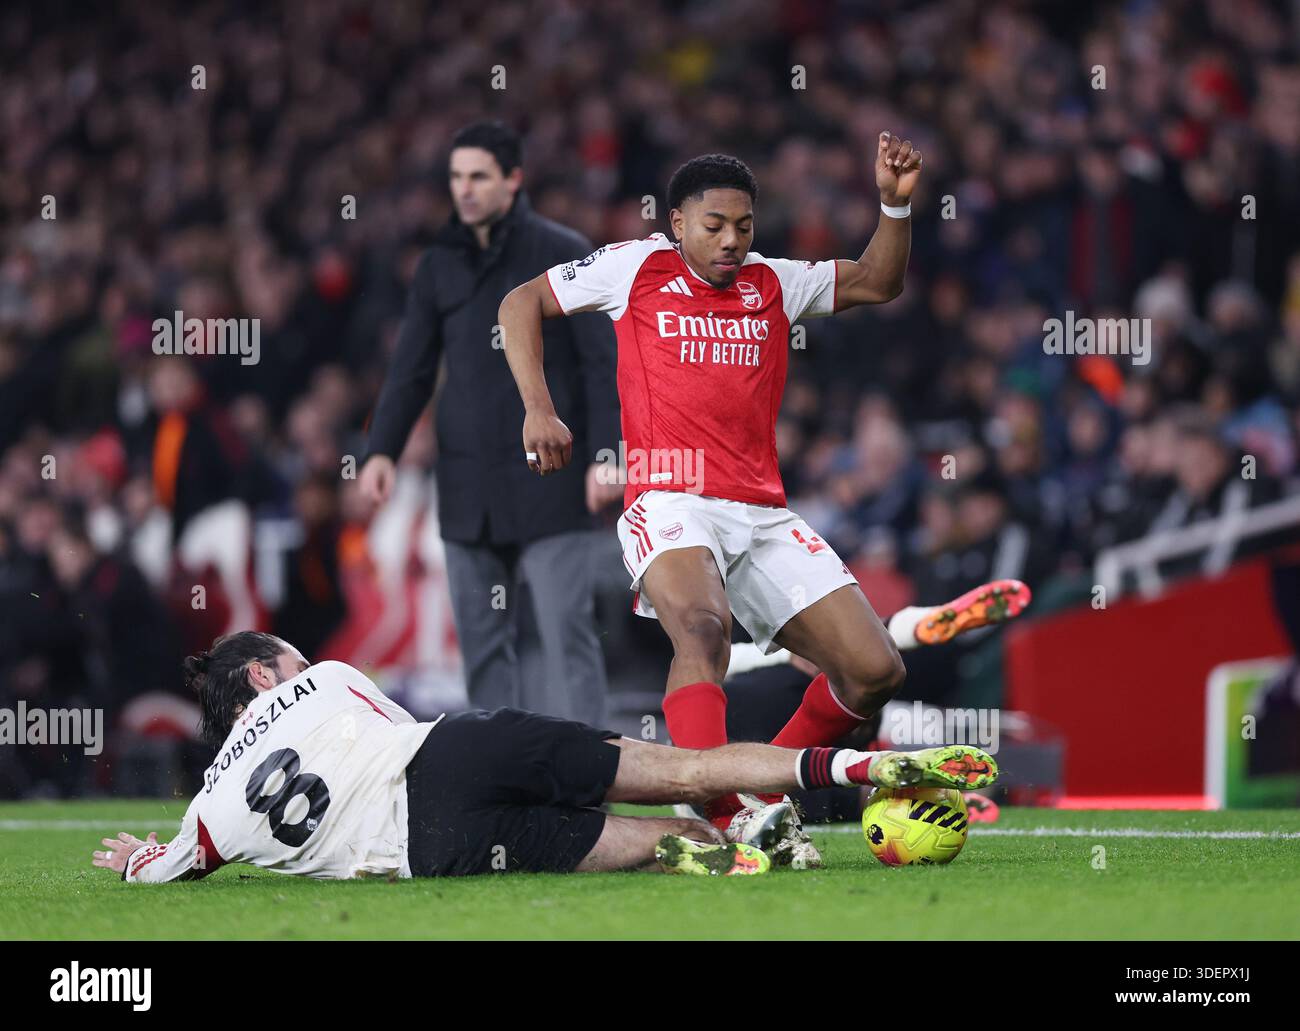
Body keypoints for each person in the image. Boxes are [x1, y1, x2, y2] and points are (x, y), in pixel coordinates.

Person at [498, 134, 1027, 859]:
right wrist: (538, 406)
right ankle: (719, 809)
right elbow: (520, 300)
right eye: (713, 226)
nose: (731, 241)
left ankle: (761, 793)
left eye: (743, 226)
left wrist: (894, 206)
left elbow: (879, 281)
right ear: (677, 223)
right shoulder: (634, 267)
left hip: (762, 509)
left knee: (876, 671)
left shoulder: (774, 281)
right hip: (670, 496)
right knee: (701, 628)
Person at [90, 631, 997, 881]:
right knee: (685, 766)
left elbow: (164, 867)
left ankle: (743, 846)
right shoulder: (319, 678)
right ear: (263, 672)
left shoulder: (211, 807)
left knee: (655, 842)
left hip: (429, 852)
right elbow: (397, 728)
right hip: (448, 753)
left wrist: (136, 862)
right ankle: (850, 770)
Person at [358, 121, 621, 726]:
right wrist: (381, 452)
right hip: (467, 482)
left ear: (513, 179)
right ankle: (500, 787)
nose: (465, 189)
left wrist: (608, 456)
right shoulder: (437, 265)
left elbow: (598, 364)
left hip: (552, 477)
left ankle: (592, 779)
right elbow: (411, 370)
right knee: (482, 652)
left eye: (478, 176)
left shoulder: (562, 250)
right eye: (456, 177)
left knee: (567, 637)